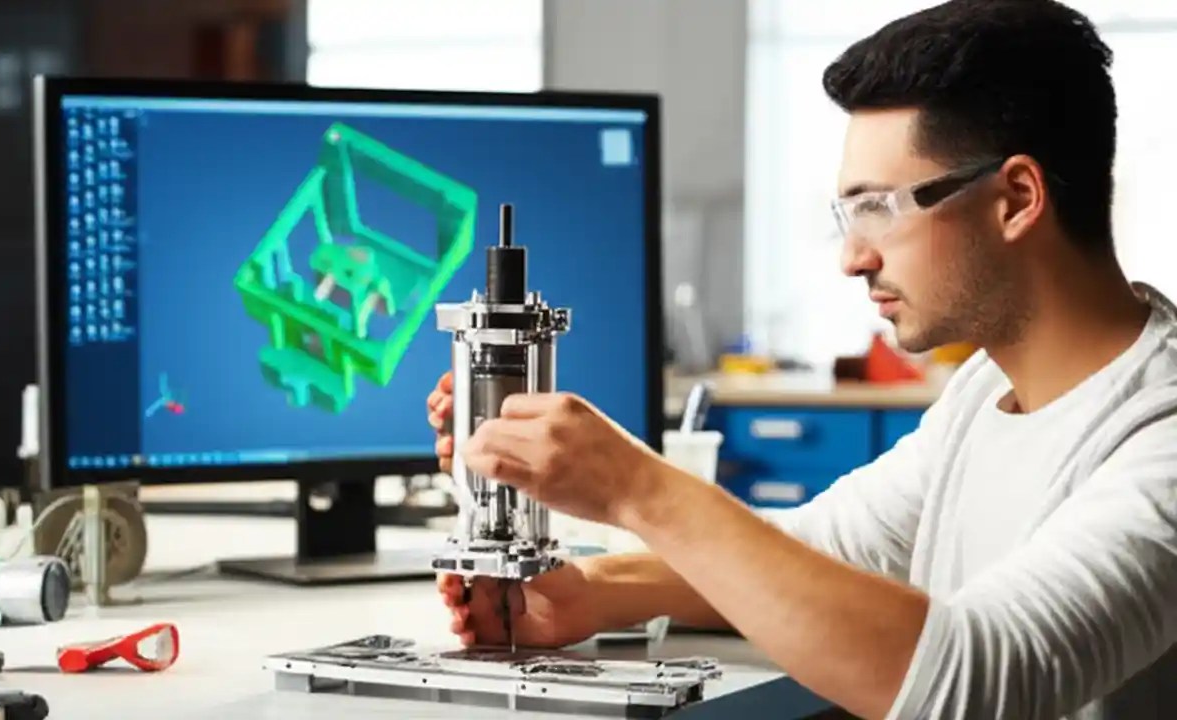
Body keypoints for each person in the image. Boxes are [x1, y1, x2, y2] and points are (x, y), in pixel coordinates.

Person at [428, 0, 1177, 717]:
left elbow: (971, 681)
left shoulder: (1159, 439)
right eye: (846, 216)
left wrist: (636, 487)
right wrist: (594, 591)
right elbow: (823, 550)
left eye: (880, 206)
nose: (853, 257)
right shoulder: (987, 392)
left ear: (1015, 198)